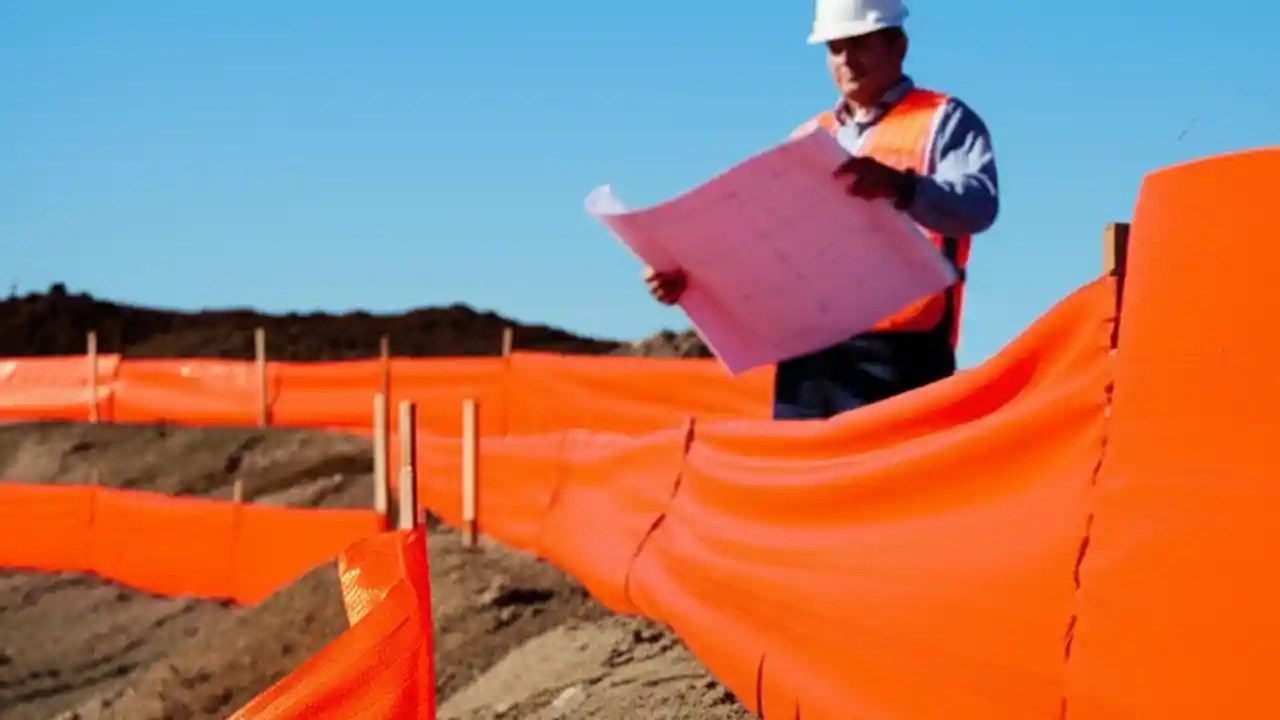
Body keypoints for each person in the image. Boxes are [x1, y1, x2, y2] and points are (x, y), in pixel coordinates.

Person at [644, 0, 1000, 420]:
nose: (846, 60)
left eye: (859, 44)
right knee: (802, 483)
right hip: (807, 358)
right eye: (835, 48)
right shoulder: (809, 137)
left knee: (884, 483)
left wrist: (902, 187)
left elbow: (978, 206)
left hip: (901, 355)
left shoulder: (943, 120)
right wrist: (692, 281)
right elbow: (765, 247)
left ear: (897, 44)